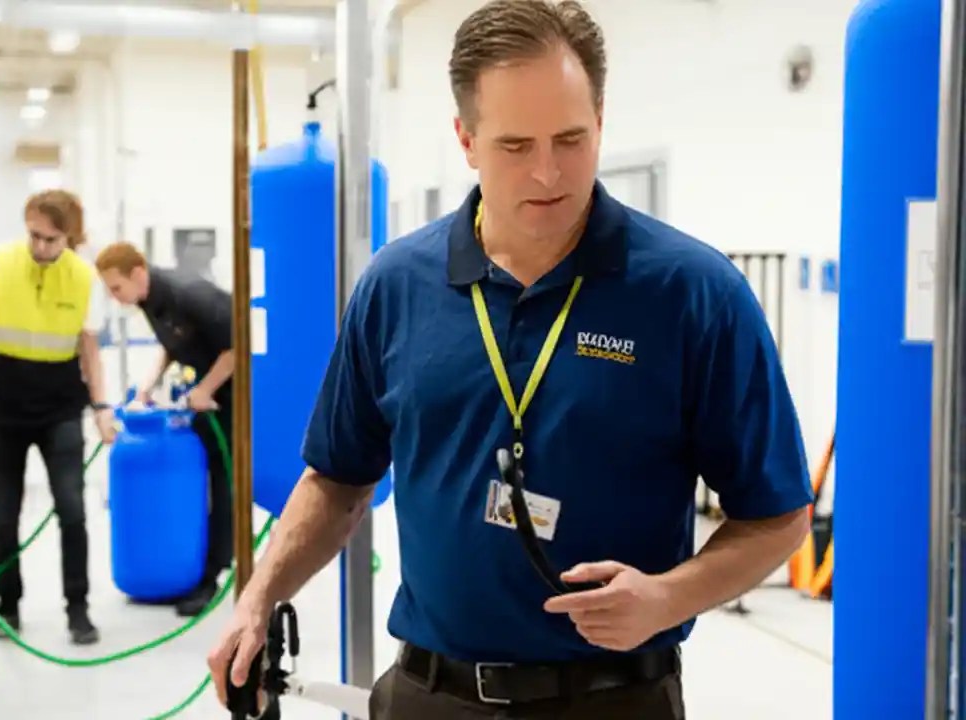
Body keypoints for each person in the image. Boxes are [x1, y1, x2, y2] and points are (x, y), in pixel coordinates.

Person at [206, 1, 813, 718]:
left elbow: (778, 516)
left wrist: (668, 597)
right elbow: (338, 478)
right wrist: (258, 598)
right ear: (465, 138)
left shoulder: (693, 295)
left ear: (601, 121)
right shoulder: (397, 287)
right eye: (515, 146)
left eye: (571, 138)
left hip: (613, 699)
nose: (549, 173)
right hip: (431, 695)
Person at [0, 189, 115, 645]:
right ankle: (8, 605)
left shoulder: (84, 277)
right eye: (34, 235)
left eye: (52, 240)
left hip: (59, 404)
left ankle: (78, 608)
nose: (40, 247)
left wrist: (101, 406)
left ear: (70, 237)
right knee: (4, 511)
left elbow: (89, 349)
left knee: (72, 509)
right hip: (1, 405)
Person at [95, 242, 234, 617]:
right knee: (201, 481)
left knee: (224, 483)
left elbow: (239, 343)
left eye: (115, 288)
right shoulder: (147, 299)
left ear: (138, 273)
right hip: (204, 393)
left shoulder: (189, 293)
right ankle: (187, 564)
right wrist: (148, 384)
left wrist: (205, 389)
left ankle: (211, 575)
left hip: (234, 394)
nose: (114, 297)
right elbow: (173, 344)